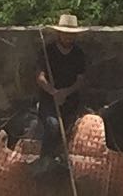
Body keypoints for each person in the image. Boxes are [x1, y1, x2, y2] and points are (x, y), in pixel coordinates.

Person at [31, 13, 87, 174]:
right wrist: (54, 92)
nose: (68, 37)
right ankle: (44, 161)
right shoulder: (48, 52)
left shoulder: (78, 54)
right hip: (49, 100)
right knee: (53, 125)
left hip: (71, 100)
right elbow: (40, 77)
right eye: (65, 34)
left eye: (71, 35)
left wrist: (66, 93)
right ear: (59, 34)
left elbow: (81, 79)